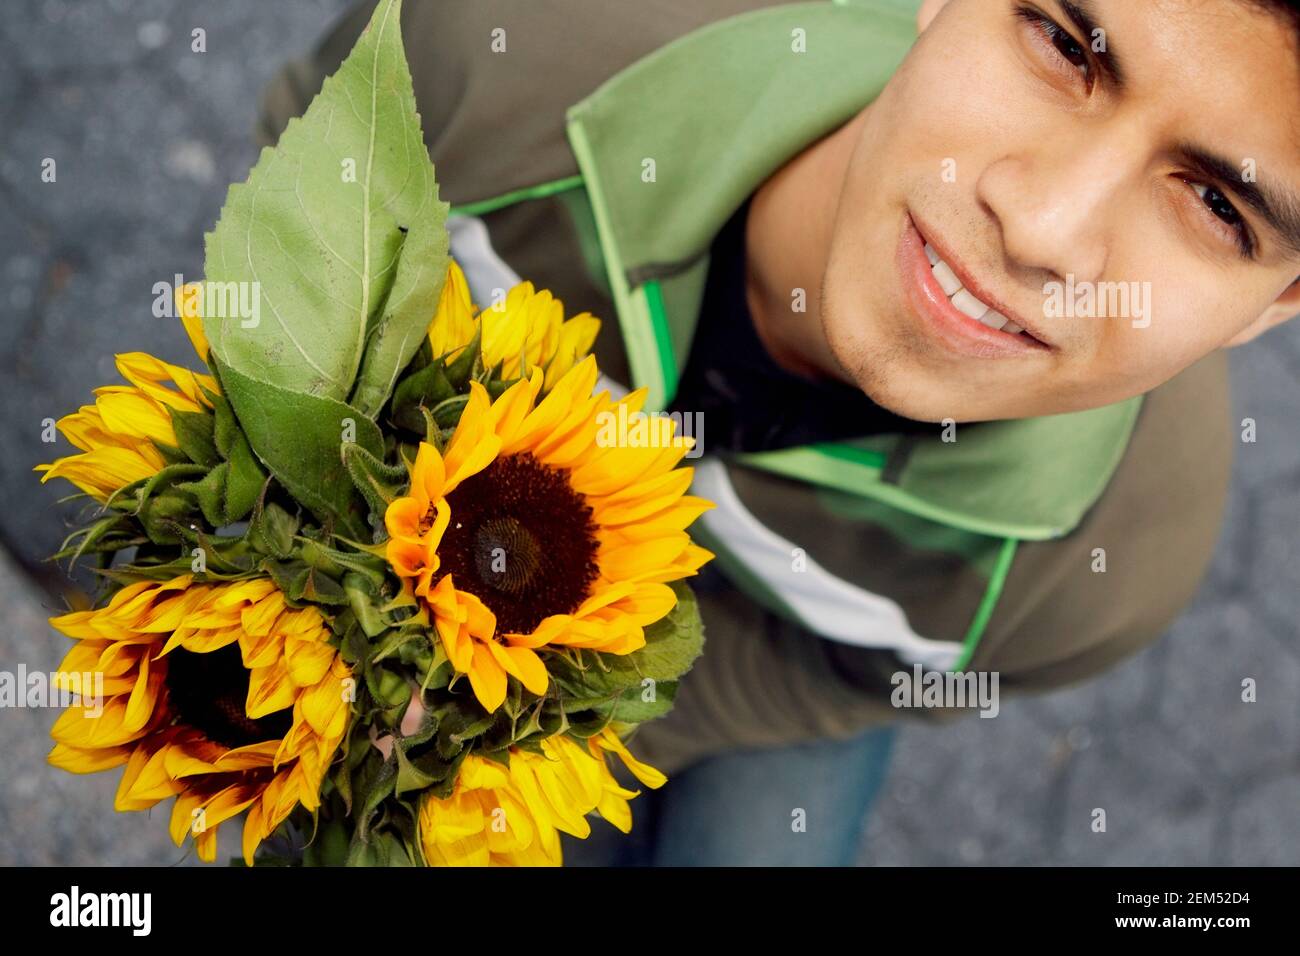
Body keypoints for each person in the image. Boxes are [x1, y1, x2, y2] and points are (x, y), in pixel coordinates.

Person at [258, 0, 1300, 865]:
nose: (1041, 226)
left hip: (759, 645)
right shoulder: (508, 46)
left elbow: (859, 674)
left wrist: (560, 725)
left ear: (1277, 303)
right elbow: (301, 206)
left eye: (1216, 205)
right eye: (1065, 45)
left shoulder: (1101, 567)